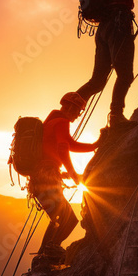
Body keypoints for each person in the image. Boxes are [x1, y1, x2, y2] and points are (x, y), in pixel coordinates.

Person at [31, 92, 98, 266]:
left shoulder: (53, 122)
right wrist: (73, 174)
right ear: (71, 108)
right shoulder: (62, 122)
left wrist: (95, 145)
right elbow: (63, 149)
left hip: (40, 178)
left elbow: (69, 144)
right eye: (77, 111)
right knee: (68, 219)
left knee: (60, 218)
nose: (77, 116)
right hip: (48, 177)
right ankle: (47, 254)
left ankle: (43, 256)